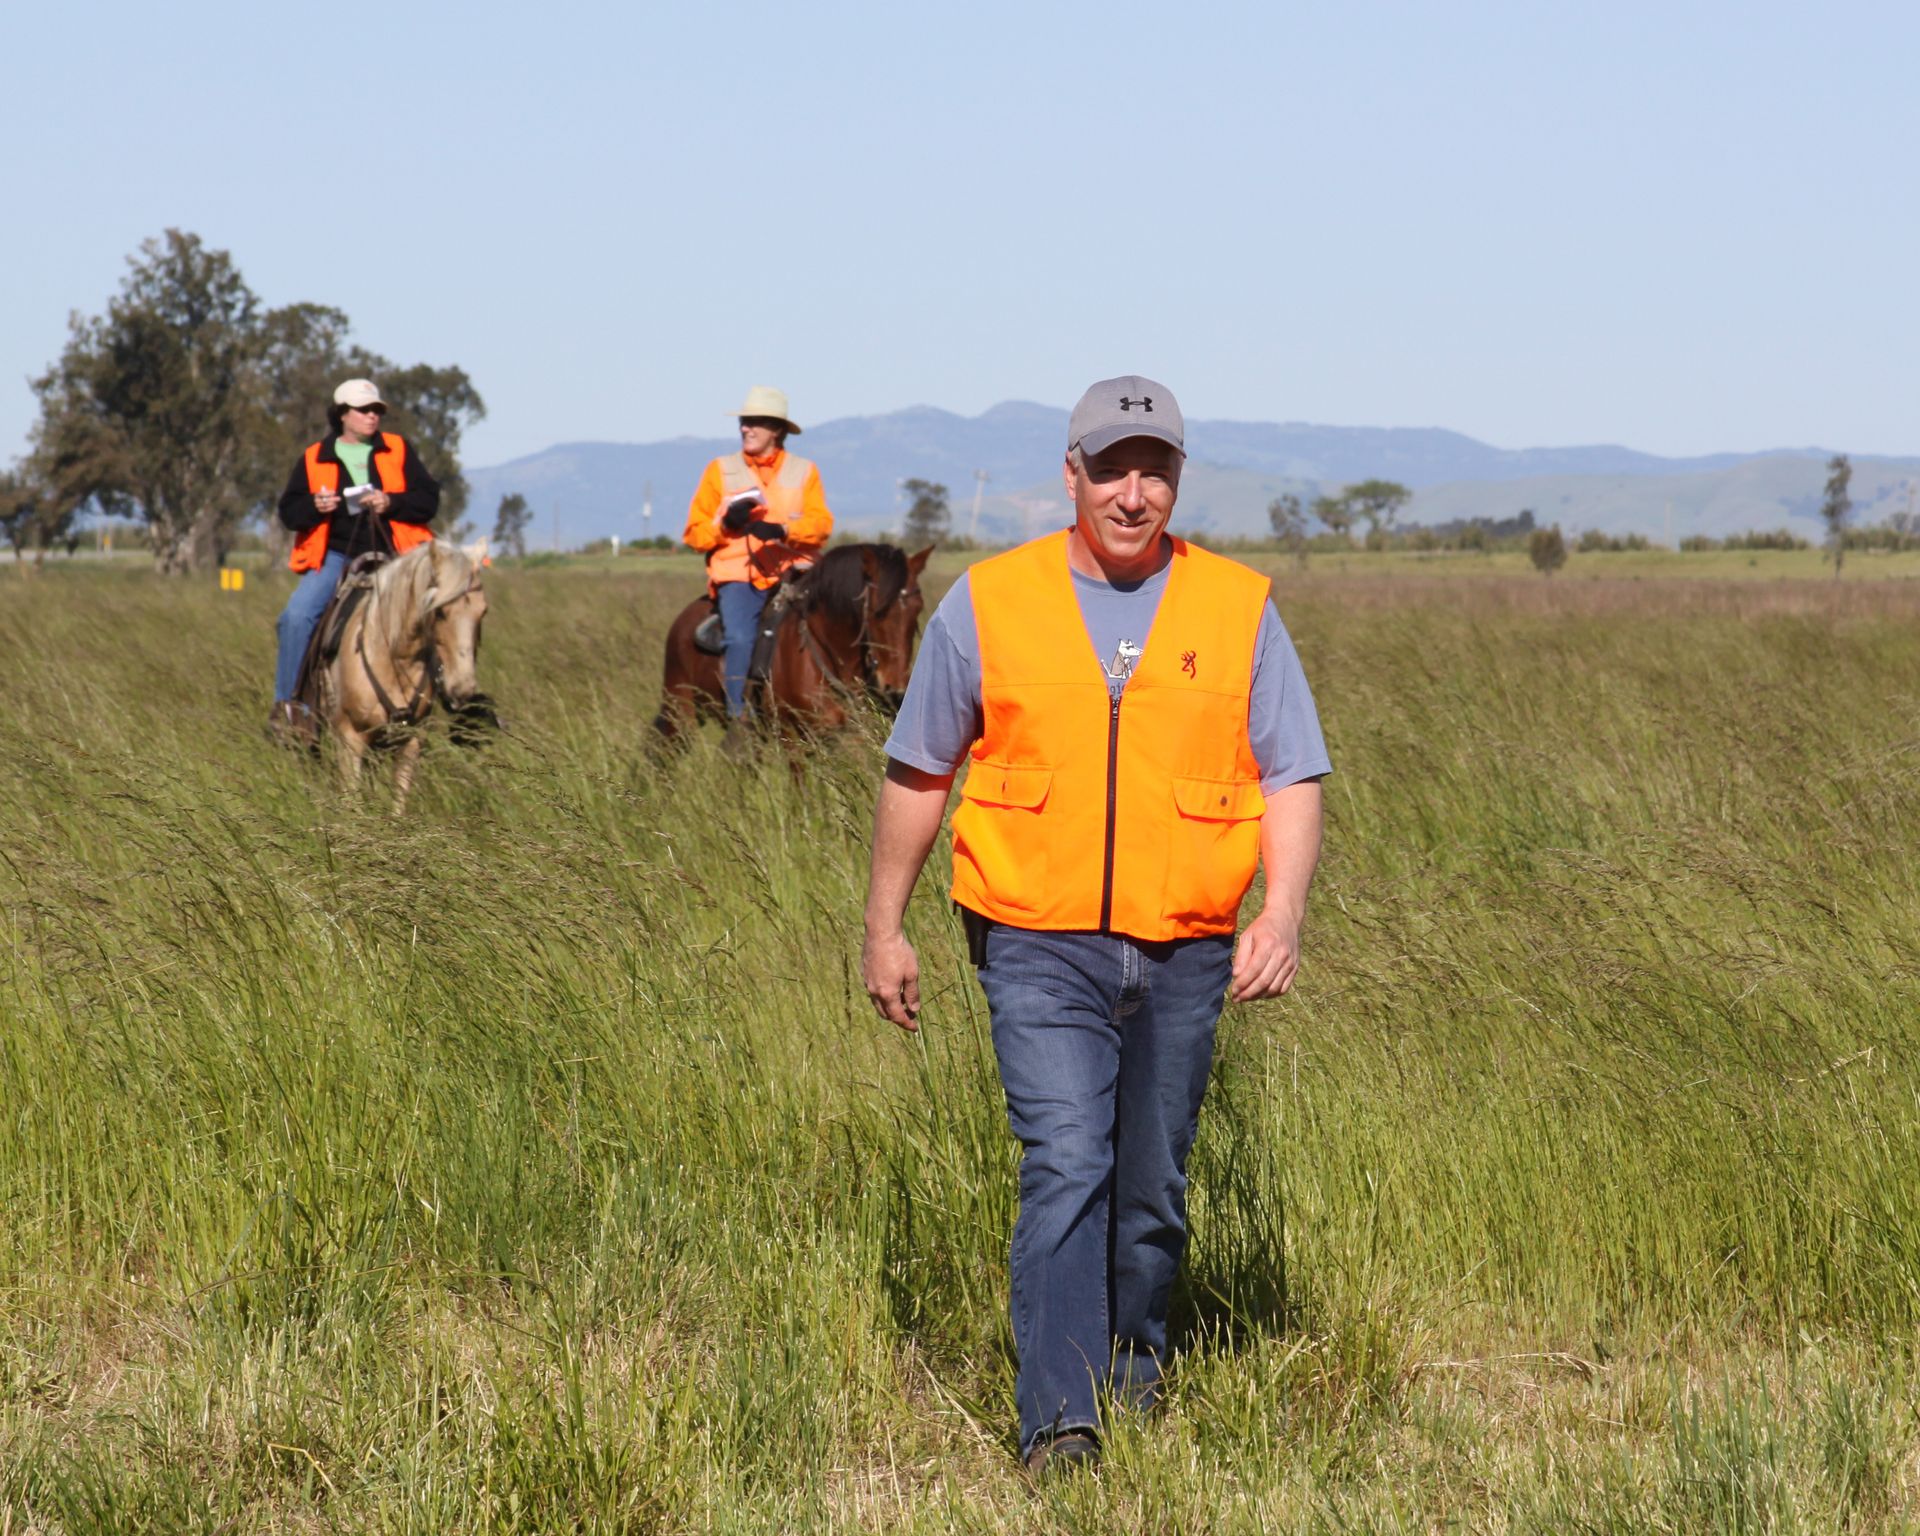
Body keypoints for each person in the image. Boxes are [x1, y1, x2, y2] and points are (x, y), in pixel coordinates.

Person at [860, 376, 1331, 1477]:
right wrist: (885, 926)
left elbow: (1293, 772)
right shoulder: (986, 601)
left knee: (1152, 1185)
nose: (1133, 492)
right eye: (1111, 468)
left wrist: (1286, 910)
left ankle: (1132, 1378)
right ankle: (1060, 1422)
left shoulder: (1238, 606)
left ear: (1178, 477)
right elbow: (918, 769)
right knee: (1066, 1159)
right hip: (1034, 935)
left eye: (1154, 468)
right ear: (1068, 475)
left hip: (1187, 940)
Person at [268, 379, 440, 740]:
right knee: (296, 617)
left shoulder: (398, 449)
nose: (372, 416)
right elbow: (289, 512)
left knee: (449, 609)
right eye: (364, 410)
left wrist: (391, 501)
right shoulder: (315, 456)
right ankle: (289, 710)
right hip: (335, 555)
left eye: (376, 410)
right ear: (342, 414)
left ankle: (463, 703)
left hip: (396, 556)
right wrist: (315, 506)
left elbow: (429, 500)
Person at [681, 386, 833, 728]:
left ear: (777, 429)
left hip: (798, 568)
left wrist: (783, 531)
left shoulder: (805, 471)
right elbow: (693, 533)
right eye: (744, 421)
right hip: (740, 573)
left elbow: (822, 524)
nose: (746, 428)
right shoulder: (719, 470)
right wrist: (725, 525)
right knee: (739, 636)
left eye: (756, 422)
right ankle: (739, 716)